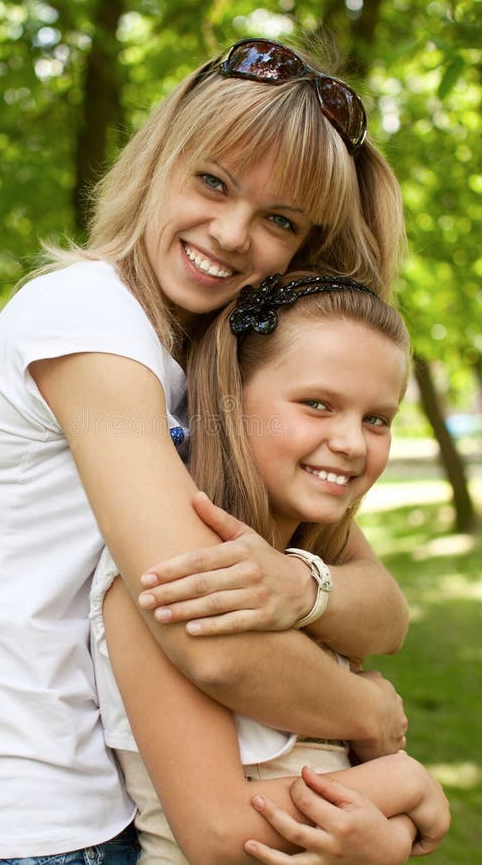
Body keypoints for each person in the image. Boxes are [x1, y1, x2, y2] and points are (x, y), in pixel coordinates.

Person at [0, 37, 415, 864]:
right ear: (161, 158)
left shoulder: (199, 369)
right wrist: (372, 719)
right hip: (15, 837)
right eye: (212, 181)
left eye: (279, 220)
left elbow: (385, 607)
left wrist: (302, 586)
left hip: (116, 824)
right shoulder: (86, 324)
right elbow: (206, 640)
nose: (232, 232)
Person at [91, 273, 450, 864]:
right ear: (232, 402)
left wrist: (386, 840)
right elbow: (222, 836)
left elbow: (390, 621)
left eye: (377, 419)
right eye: (317, 404)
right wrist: (406, 783)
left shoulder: (307, 563)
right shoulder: (171, 582)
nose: (352, 443)